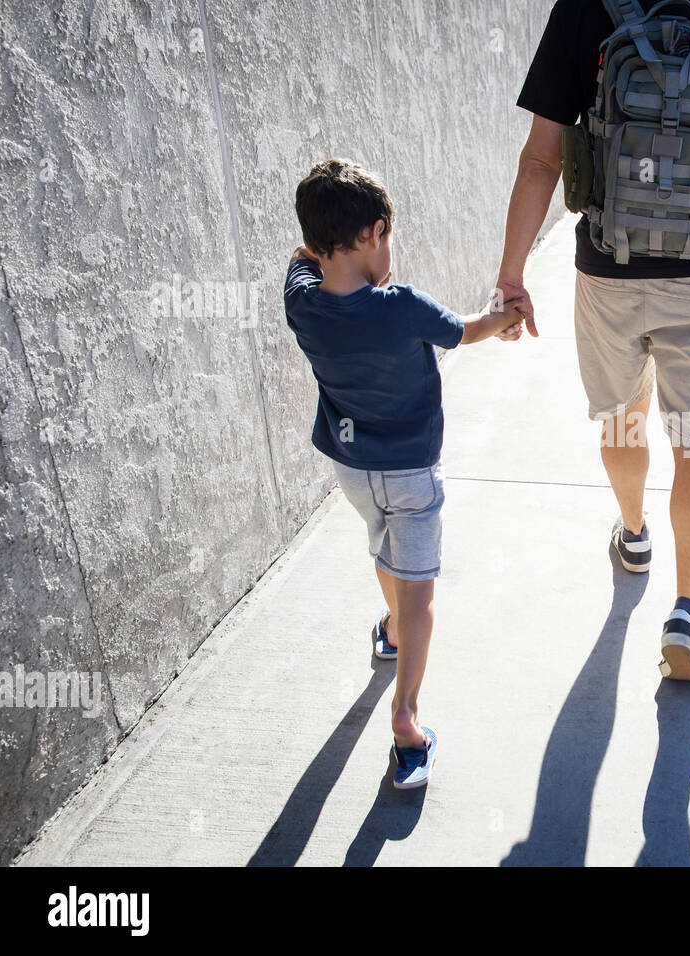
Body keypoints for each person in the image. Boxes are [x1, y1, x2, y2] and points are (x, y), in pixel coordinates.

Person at [497, 0, 690, 682]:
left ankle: (634, 530)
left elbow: (539, 158)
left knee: (619, 418)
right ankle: (687, 612)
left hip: (610, 271)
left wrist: (512, 275)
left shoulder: (587, 9)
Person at [284, 159, 525, 787]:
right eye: (387, 238)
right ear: (375, 230)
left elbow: (300, 262)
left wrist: (313, 247)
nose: (389, 251)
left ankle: (390, 631)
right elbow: (465, 332)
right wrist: (507, 317)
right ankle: (406, 717)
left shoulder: (303, 305)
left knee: (384, 552)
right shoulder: (403, 308)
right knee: (420, 589)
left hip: (354, 472)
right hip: (412, 470)